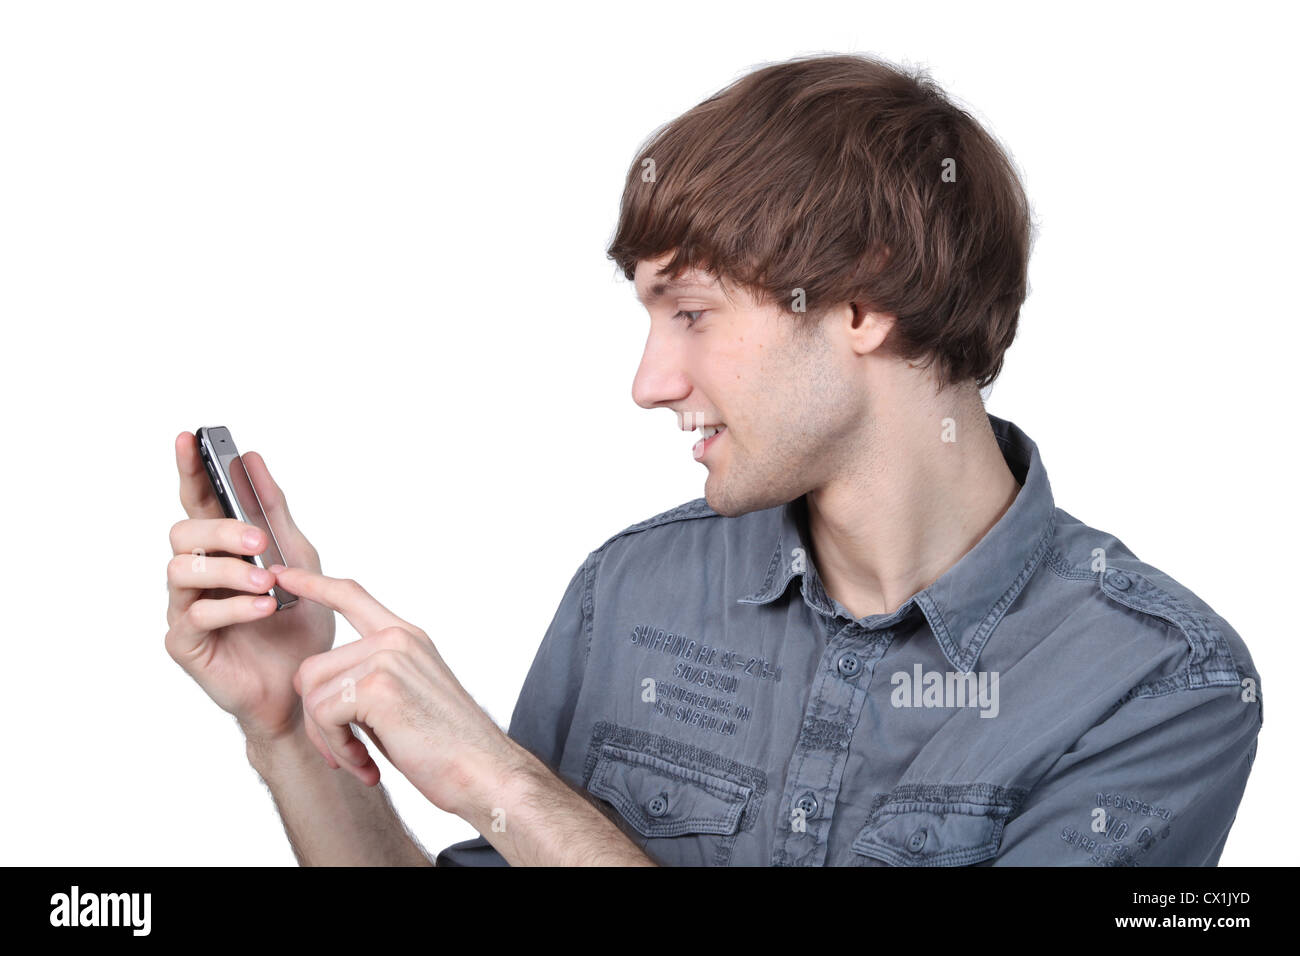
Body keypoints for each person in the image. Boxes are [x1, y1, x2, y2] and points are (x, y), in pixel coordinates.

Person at [165, 52, 1262, 867]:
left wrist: (507, 785)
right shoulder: (630, 592)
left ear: (861, 300)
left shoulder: (1159, 683)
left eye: (690, 312)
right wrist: (287, 728)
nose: (648, 380)